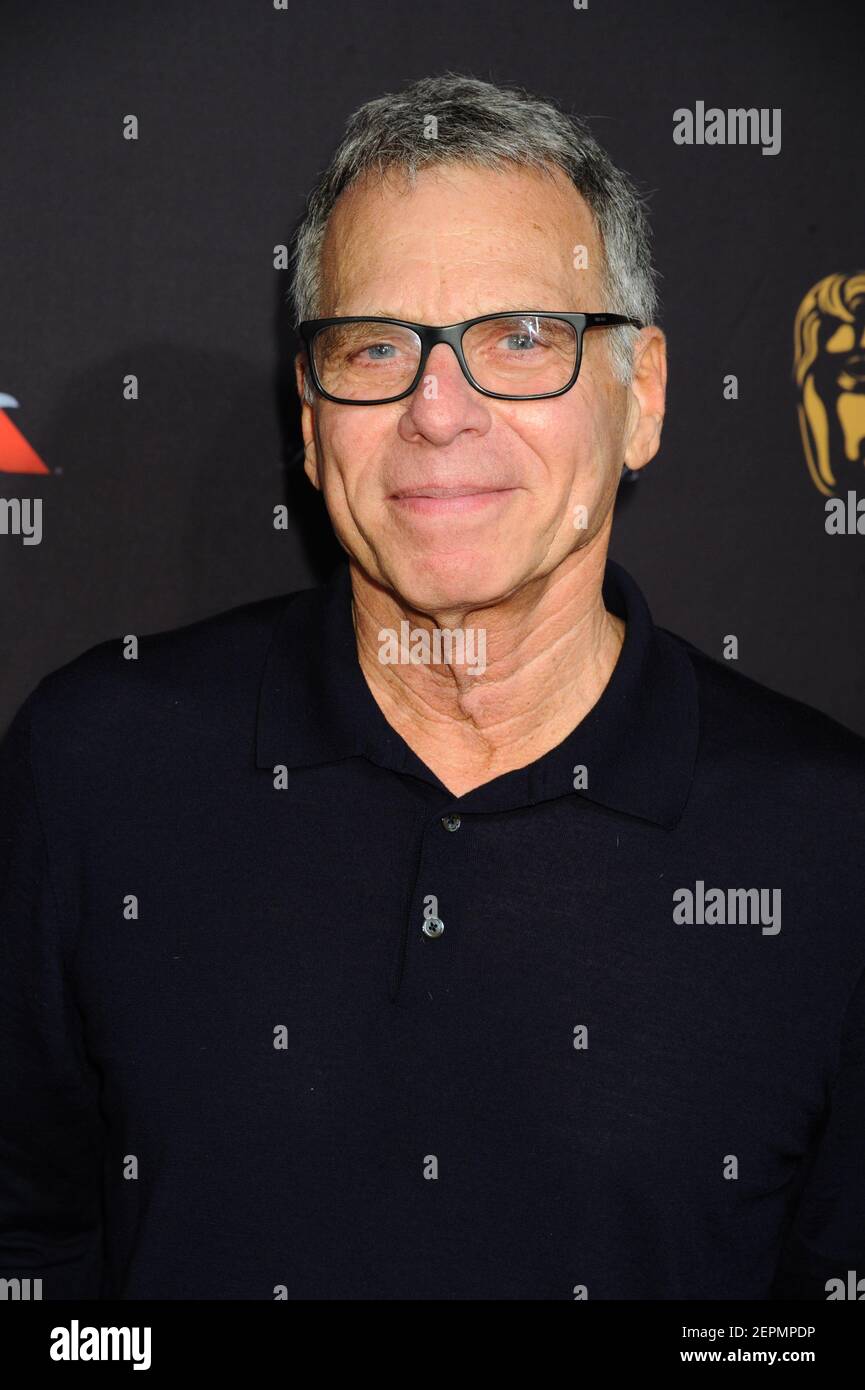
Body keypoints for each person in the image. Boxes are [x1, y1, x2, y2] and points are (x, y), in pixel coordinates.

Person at [1, 73, 863, 1301]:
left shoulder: (830, 844)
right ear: (309, 422)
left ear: (645, 395)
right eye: (373, 346)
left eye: (521, 338)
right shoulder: (92, 766)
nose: (436, 410)